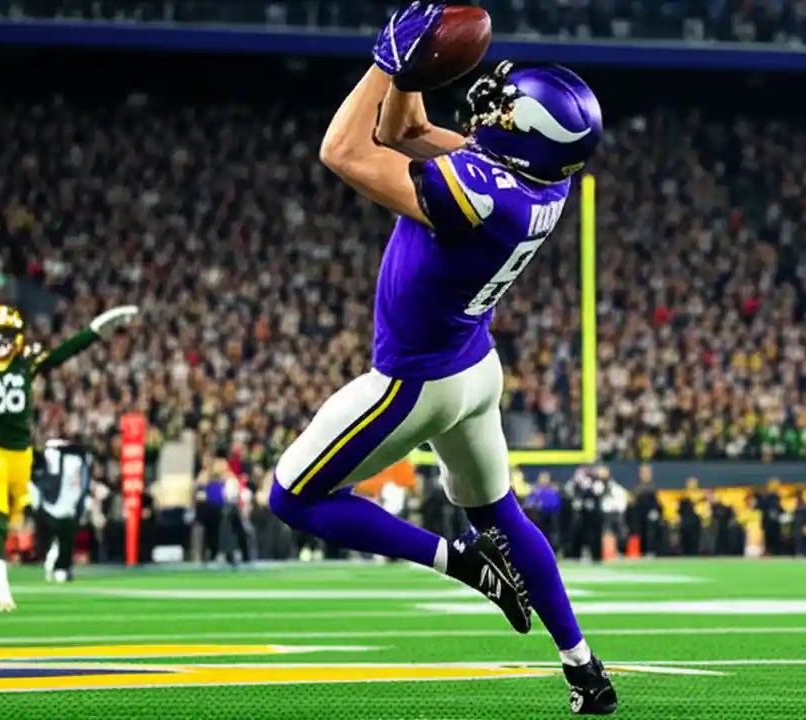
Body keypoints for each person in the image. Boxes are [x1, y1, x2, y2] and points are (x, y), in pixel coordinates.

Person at [263, 4, 614, 714]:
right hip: (474, 370)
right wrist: (414, 67)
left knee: (292, 498)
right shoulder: (543, 180)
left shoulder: (485, 196)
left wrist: (388, 61)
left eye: (510, 109)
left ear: (528, 140)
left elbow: (347, 151)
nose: (494, 103)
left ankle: (457, 562)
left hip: (415, 380)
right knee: (504, 513)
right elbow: (405, 130)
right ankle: (584, 668)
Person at [0, 304, 137, 611]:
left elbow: (62, 353)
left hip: (21, 450)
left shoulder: (26, 363)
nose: (0, 341)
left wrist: (95, 331)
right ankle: (0, 587)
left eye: (7, 335)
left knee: (21, 509)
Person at [29, 437, 93, 583]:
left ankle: (59, 566)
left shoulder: (68, 459)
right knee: (62, 539)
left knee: (64, 540)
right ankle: (58, 566)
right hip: (62, 506)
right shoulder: (76, 459)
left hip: (61, 506)